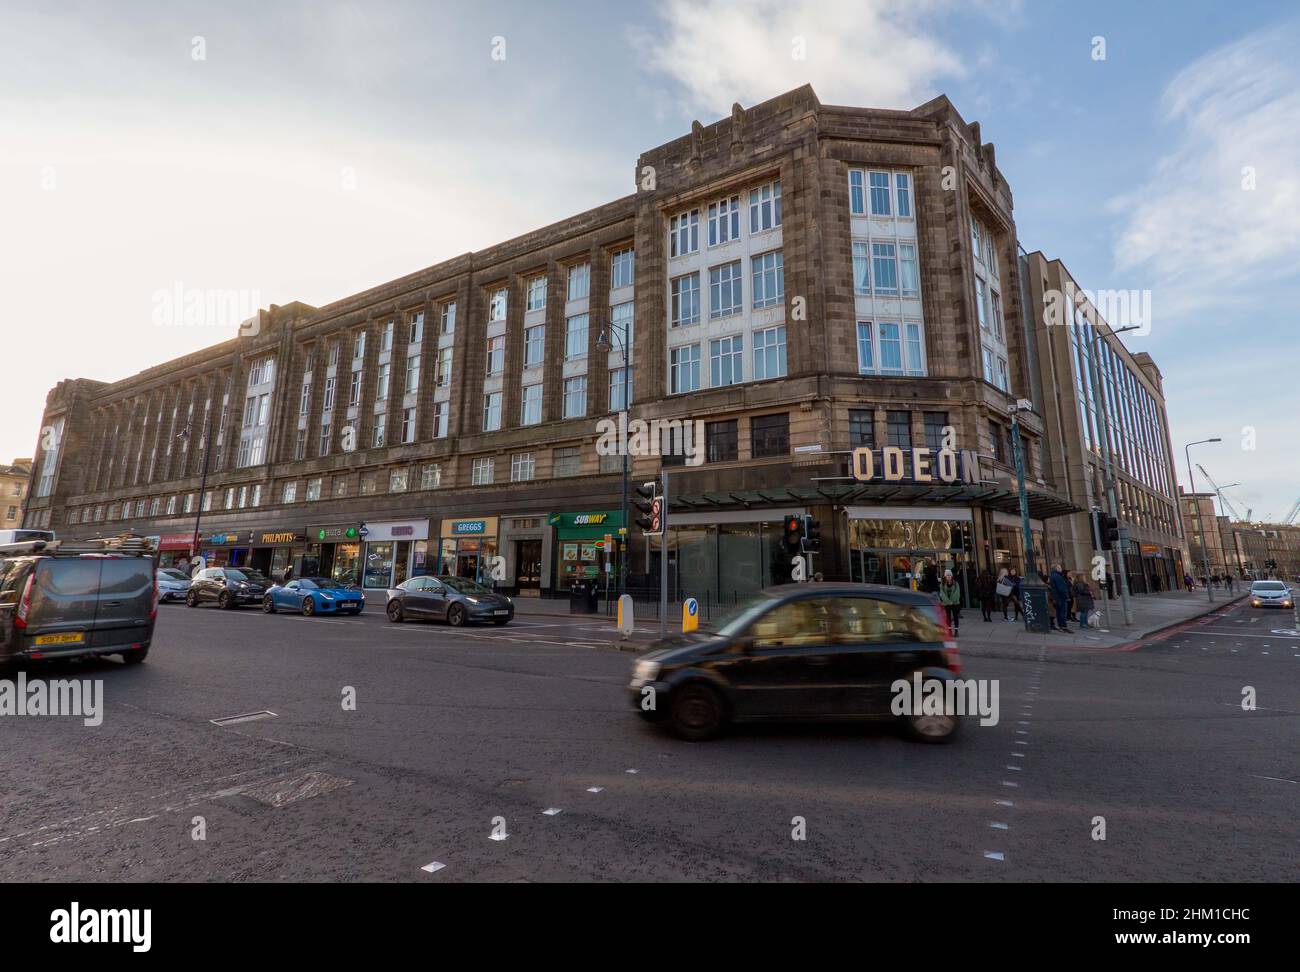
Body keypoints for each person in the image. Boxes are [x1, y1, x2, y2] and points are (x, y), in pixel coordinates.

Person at [938, 569, 962, 635]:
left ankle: (956, 631)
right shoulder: (942, 584)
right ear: (945, 576)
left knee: (955, 616)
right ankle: (949, 630)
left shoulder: (956, 584)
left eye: (949, 575)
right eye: (947, 575)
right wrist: (948, 602)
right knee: (948, 617)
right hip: (947, 604)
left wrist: (952, 601)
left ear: (952, 576)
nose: (948, 576)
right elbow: (942, 594)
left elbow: (957, 593)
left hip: (955, 603)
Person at [1048, 563, 1071, 633]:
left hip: (1056, 597)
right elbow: (1061, 588)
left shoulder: (1052, 576)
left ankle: (1061, 626)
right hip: (1060, 597)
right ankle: (1063, 627)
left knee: (1059, 612)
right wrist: (1066, 596)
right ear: (1056, 568)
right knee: (1062, 612)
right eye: (1059, 567)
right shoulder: (1057, 576)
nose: (1061, 569)